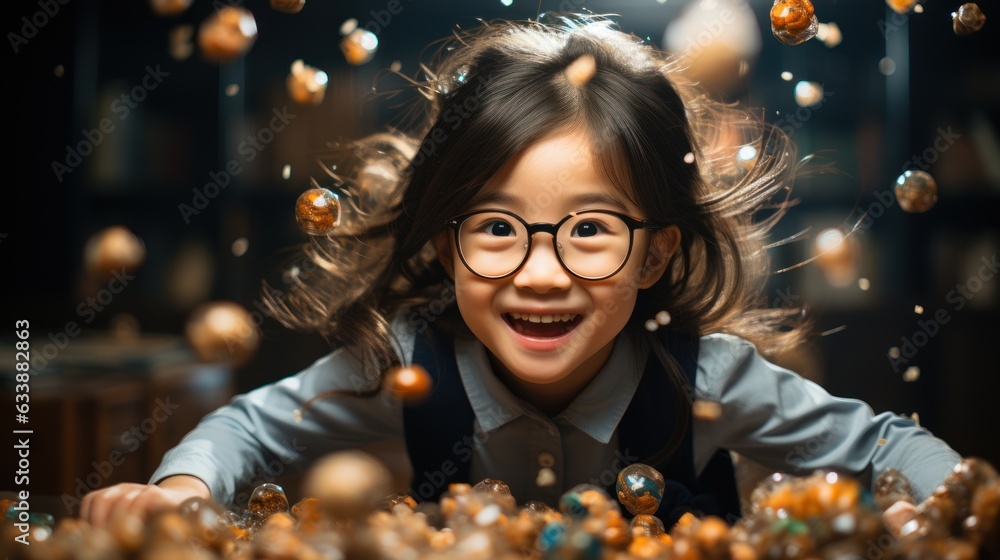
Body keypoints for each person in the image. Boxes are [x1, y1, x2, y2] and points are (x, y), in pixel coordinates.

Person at [80, 15, 961, 529]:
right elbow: (248, 432)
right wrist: (183, 491)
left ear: (657, 251)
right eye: (497, 229)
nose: (541, 274)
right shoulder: (403, 368)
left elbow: (888, 447)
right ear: (437, 243)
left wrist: (961, 503)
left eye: (589, 231)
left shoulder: (710, 381)